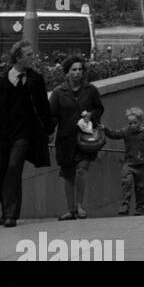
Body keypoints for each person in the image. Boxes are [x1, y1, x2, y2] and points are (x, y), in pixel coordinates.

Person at [0, 40, 55, 228]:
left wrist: (49, 129)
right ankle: (5, 211)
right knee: (3, 171)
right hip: (1, 134)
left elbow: (43, 107)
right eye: (29, 55)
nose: (33, 58)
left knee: (13, 167)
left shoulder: (35, 80)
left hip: (24, 133)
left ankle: (11, 214)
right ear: (18, 58)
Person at [49, 56, 104, 219]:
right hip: (65, 139)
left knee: (81, 170)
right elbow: (52, 116)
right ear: (67, 73)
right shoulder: (59, 93)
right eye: (74, 69)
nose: (77, 73)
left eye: (80, 69)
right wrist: (48, 132)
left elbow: (99, 109)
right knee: (68, 174)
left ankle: (80, 206)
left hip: (85, 139)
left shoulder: (91, 90)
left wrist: (91, 116)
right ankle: (71, 209)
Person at [102, 106, 144, 215]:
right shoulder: (126, 131)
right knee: (126, 183)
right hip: (129, 163)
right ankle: (124, 205)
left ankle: (139, 208)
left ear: (140, 121)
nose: (132, 126)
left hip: (142, 164)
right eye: (129, 123)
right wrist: (105, 129)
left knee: (141, 187)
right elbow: (115, 134)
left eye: (134, 123)